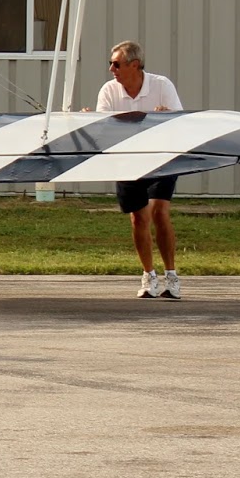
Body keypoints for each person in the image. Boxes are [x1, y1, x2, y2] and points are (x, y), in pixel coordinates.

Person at [95, 40, 183, 300]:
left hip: (161, 157)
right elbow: (103, 128)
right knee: (138, 218)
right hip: (127, 159)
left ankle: (171, 274)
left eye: (117, 63)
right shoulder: (109, 91)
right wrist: (90, 119)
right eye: (110, 63)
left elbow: (178, 121)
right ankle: (149, 275)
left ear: (135, 65)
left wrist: (164, 117)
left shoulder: (161, 85)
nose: (112, 69)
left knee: (159, 212)